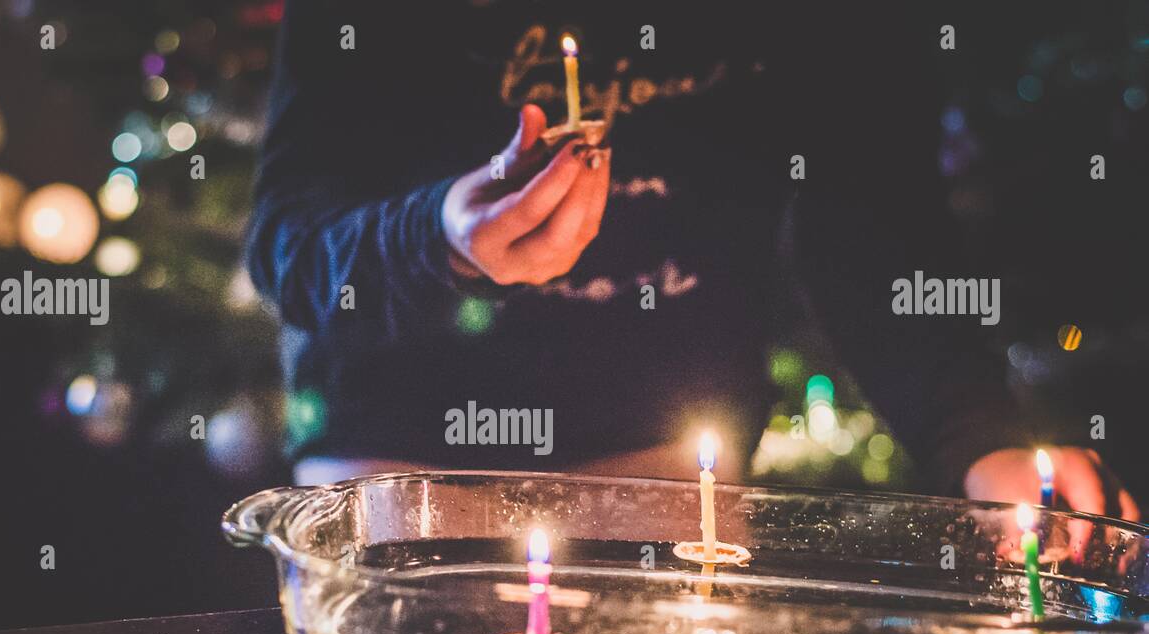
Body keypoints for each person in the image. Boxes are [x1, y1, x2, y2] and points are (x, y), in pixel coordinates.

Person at [246, 0, 1138, 521]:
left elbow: (874, 215)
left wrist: (976, 442)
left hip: (671, 478)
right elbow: (287, 246)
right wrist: (436, 237)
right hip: (398, 482)